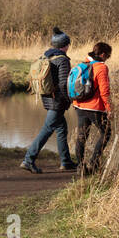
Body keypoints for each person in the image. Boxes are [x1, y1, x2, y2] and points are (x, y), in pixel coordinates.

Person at [20, 27, 77, 174]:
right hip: (57, 101)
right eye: (68, 44)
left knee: (61, 128)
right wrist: (70, 99)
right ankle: (28, 159)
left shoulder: (46, 56)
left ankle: (66, 161)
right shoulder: (63, 60)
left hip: (47, 97)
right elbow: (64, 83)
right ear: (65, 45)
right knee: (47, 129)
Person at [71, 41, 113, 174]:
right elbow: (104, 91)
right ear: (103, 54)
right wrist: (109, 108)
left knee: (82, 136)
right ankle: (94, 163)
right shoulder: (101, 68)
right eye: (108, 56)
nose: (107, 59)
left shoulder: (84, 64)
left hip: (79, 105)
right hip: (94, 108)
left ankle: (80, 167)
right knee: (106, 132)